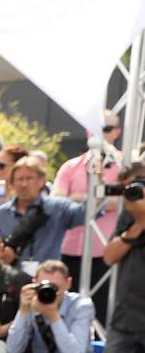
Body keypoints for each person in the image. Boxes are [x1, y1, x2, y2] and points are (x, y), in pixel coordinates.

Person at [96, 158, 145, 353]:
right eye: (130, 186)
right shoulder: (129, 217)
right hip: (127, 313)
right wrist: (138, 223)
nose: (135, 192)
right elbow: (109, 255)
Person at [52, 115, 122, 325]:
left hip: (105, 252)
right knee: (64, 312)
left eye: (107, 128)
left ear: (117, 132)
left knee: (100, 314)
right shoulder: (71, 166)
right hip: (70, 251)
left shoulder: (124, 164)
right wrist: (95, 198)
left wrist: (79, 198)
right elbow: (56, 201)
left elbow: (125, 201)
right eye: (95, 127)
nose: (100, 133)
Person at [0, 156, 87, 276]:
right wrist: (0, 258)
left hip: (48, 281)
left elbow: (86, 214)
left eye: (29, 178)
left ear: (41, 181)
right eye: (19, 179)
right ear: (12, 183)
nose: (24, 184)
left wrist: (97, 178)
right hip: (10, 283)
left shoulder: (57, 208)